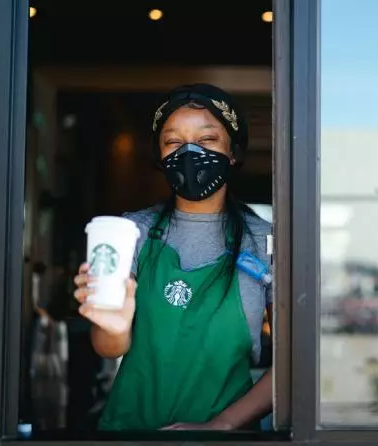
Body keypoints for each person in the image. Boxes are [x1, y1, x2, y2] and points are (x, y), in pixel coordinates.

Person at [73, 84, 273, 431]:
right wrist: (113, 326)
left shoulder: (264, 240)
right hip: (130, 432)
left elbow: (294, 361)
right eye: (173, 142)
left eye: (207, 139)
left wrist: (222, 425)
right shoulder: (130, 232)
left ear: (234, 152)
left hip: (228, 440)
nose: (190, 152)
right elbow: (107, 347)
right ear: (161, 157)